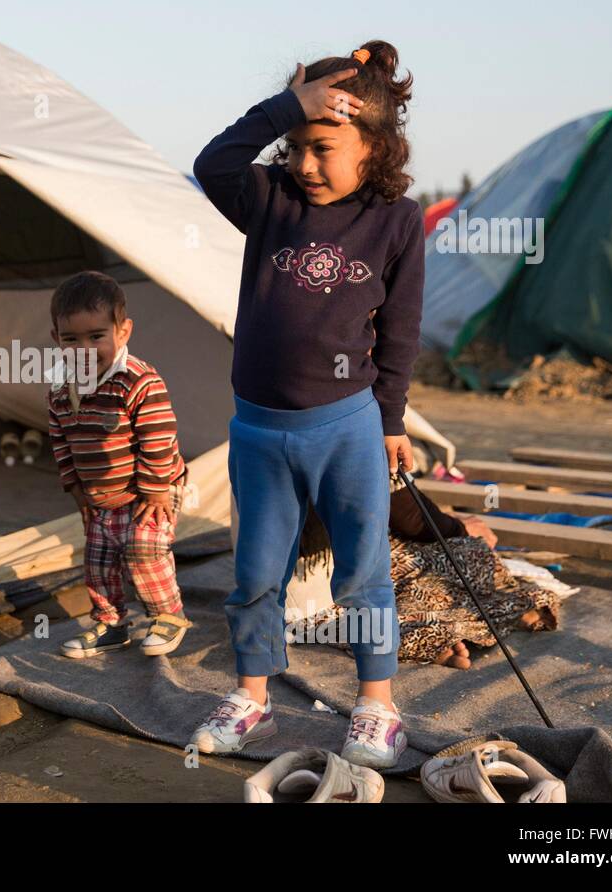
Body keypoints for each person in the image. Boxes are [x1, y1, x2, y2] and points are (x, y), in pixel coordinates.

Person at [188, 41, 423, 768]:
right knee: (257, 573)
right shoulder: (269, 200)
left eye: (323, 146)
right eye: (294, 146)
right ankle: (253, 696)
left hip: (347, 426)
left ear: (374, 145)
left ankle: (377, 706)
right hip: (258, 429)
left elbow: (401, 334)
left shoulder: (396, 219)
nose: (305, 164)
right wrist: (291, 108)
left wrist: (389, 422)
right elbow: (213, 163)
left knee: (363, 571)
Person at [46, 271, 192, 657]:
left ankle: (169, 614)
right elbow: (60, 439)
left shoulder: (138, 380)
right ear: (55, 339)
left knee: (144, 547)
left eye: (97, 337)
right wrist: (75, 487)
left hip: (151, 490)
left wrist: (156, 487)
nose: (85, 349)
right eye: (71, 339)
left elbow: (159, 436)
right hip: (100, 494)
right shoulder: (62, 388)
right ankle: (111, 623)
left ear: (123, 331)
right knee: (98, 558)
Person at [288, 476, 562, 670]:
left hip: (279, 594)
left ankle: (428, 637)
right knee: (469, 552)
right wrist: (459, 528)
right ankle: (444, 629)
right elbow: (411, 517)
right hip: (318, 585)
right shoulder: (354, 418)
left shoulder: (255, 414)